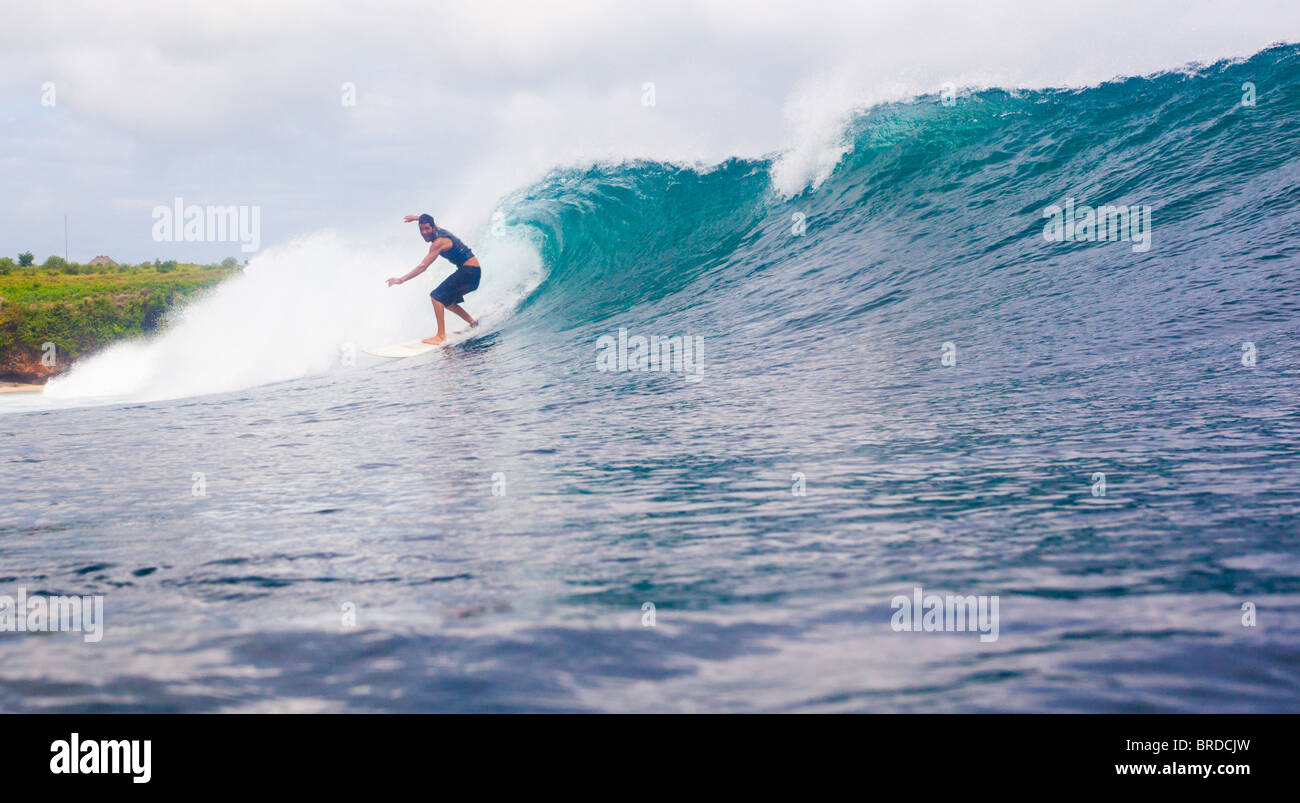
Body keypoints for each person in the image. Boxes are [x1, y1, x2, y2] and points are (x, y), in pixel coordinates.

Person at [386, 213, 480, 344]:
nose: (424, 232)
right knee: (447, 301)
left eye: (427, 229)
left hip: (469, 271)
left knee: (436, 296)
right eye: (421, 229)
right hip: (473, 272)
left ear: (433, 228)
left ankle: (440, 336)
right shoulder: (438, 230)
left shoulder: (438, 243)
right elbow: (429, 221)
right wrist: (416, 218)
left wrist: (401, 280)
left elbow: (423, 266)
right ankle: (473, 323)